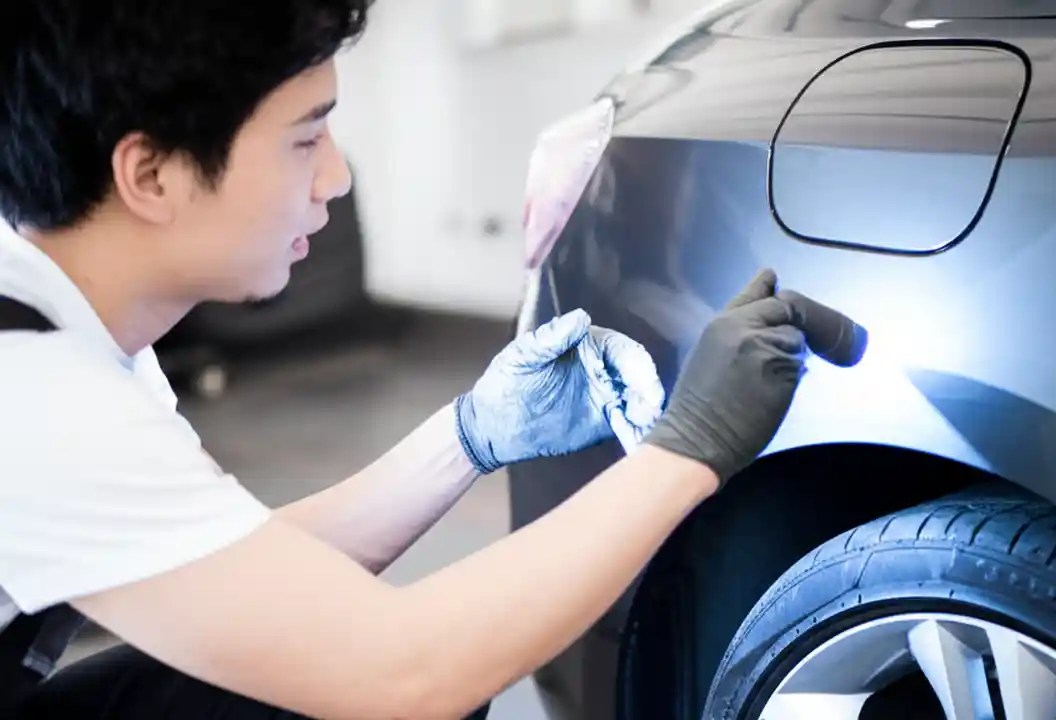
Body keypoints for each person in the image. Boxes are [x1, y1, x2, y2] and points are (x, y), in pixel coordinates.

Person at [0, 1, 833, 718]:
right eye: (305, 138)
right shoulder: (39, 394)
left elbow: (243, 575)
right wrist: (689, 448)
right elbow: (407, 674)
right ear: (151, 173)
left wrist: (471, 434)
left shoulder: (61, 318)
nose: (335, 178)